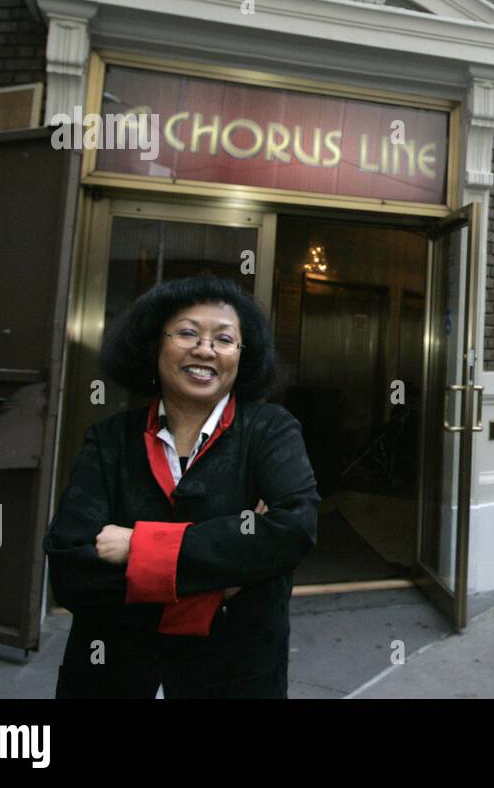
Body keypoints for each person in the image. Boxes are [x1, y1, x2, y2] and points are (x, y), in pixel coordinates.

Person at [44, 275, 319, 698]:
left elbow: (292, 530)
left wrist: (139, 548)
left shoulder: (270, 431)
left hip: (234, 678)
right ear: (155, 344)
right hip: (111, 676)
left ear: (242, 356)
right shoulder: (109, 439)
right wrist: (220, 586)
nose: (205, 349)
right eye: (188, 332)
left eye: (224, 339)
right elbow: (71, 571)